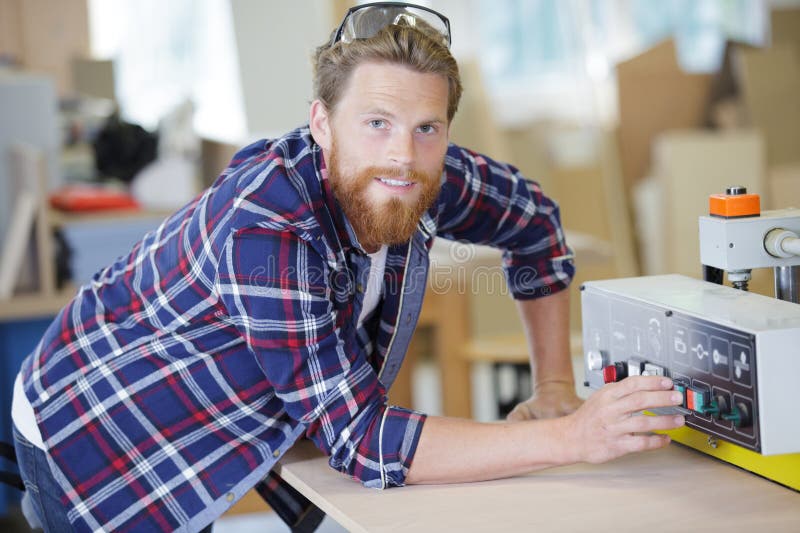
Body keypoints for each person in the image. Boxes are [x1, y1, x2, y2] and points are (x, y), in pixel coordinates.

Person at [11, 3, 685, 532]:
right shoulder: (266, 227)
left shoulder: (422, 170)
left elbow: (534, 222)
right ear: (322, 124)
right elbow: (363, 438)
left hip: (247, 412)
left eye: (427, 128)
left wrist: (557, 386)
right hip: (99, 427)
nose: (402, 155)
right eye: (376, 123)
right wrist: (574, 436)